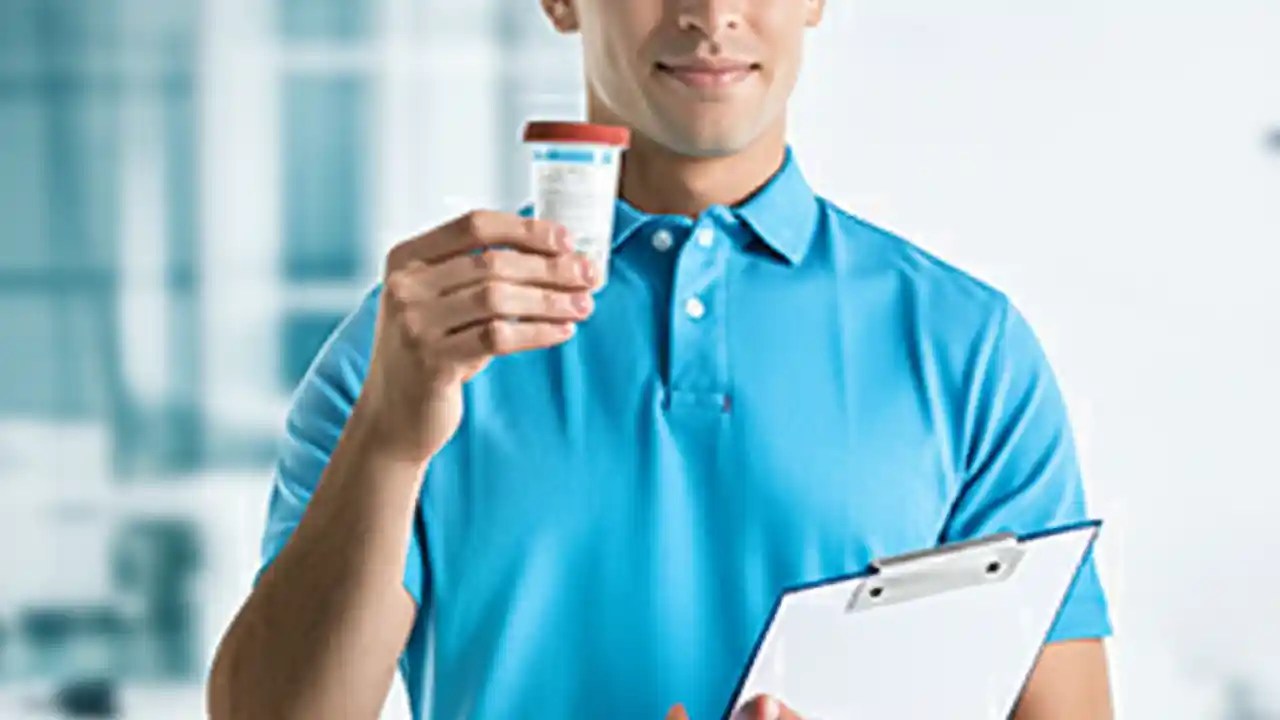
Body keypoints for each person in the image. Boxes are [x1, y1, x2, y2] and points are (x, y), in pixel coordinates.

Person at [207, 0, 1114, 718]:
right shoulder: (420, 340)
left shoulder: (966, 346)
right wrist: (390, 440)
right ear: (559, 0)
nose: (709, 12)